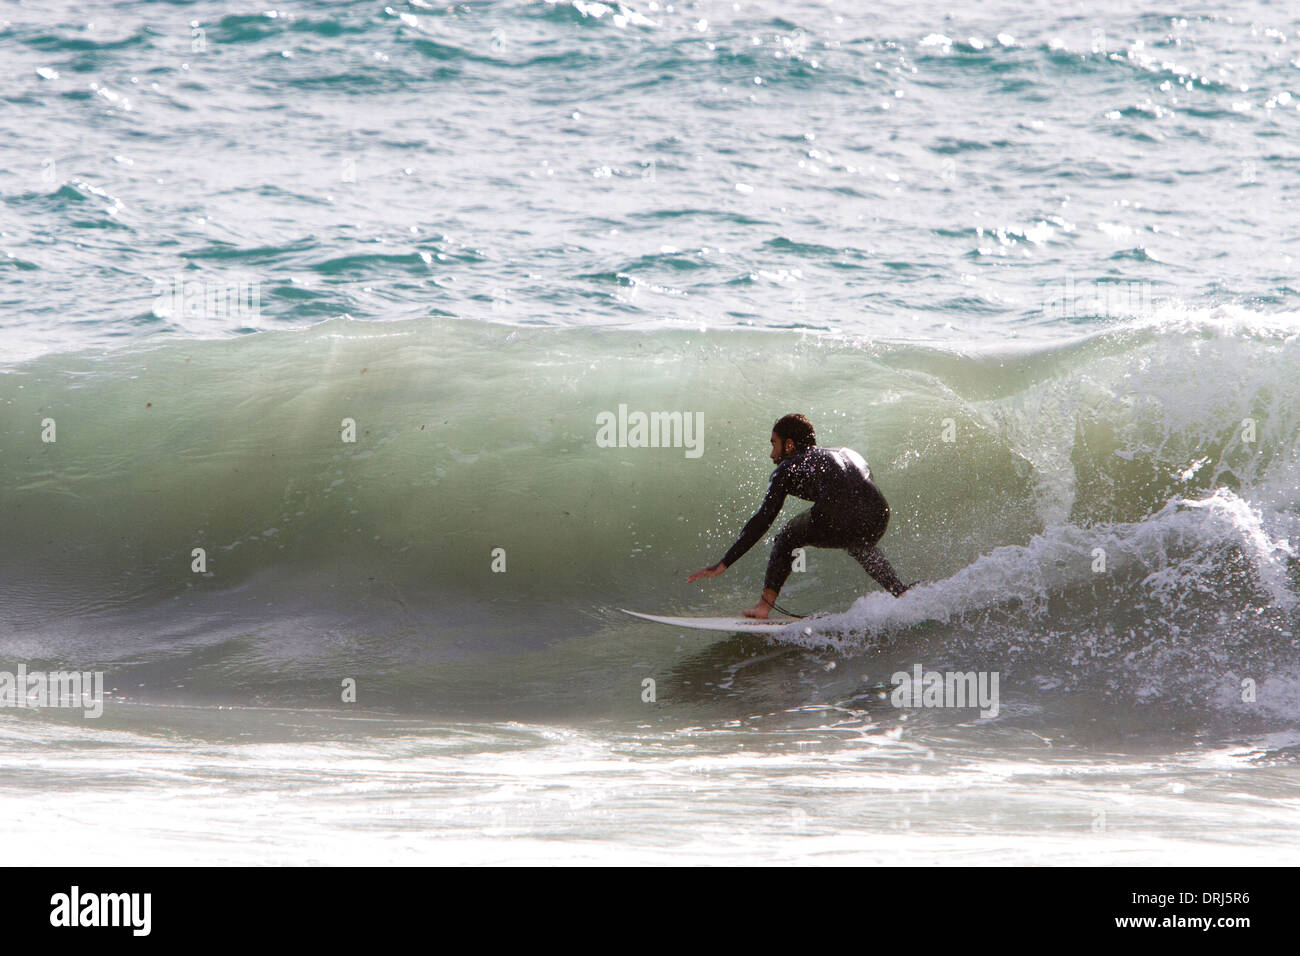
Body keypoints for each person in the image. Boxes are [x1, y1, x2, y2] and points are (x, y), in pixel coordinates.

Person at [687, 413, 913, 618]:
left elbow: (764, 519)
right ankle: (900, 592)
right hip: (878, 516)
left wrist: (724, 563)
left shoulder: (788, 467)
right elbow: (857, 491)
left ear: (789, 445)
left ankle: (763, 607)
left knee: (787, 536)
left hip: (838, 514)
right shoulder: (846, 452)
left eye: (774, 444)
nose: (772, 454)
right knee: (858, 542)